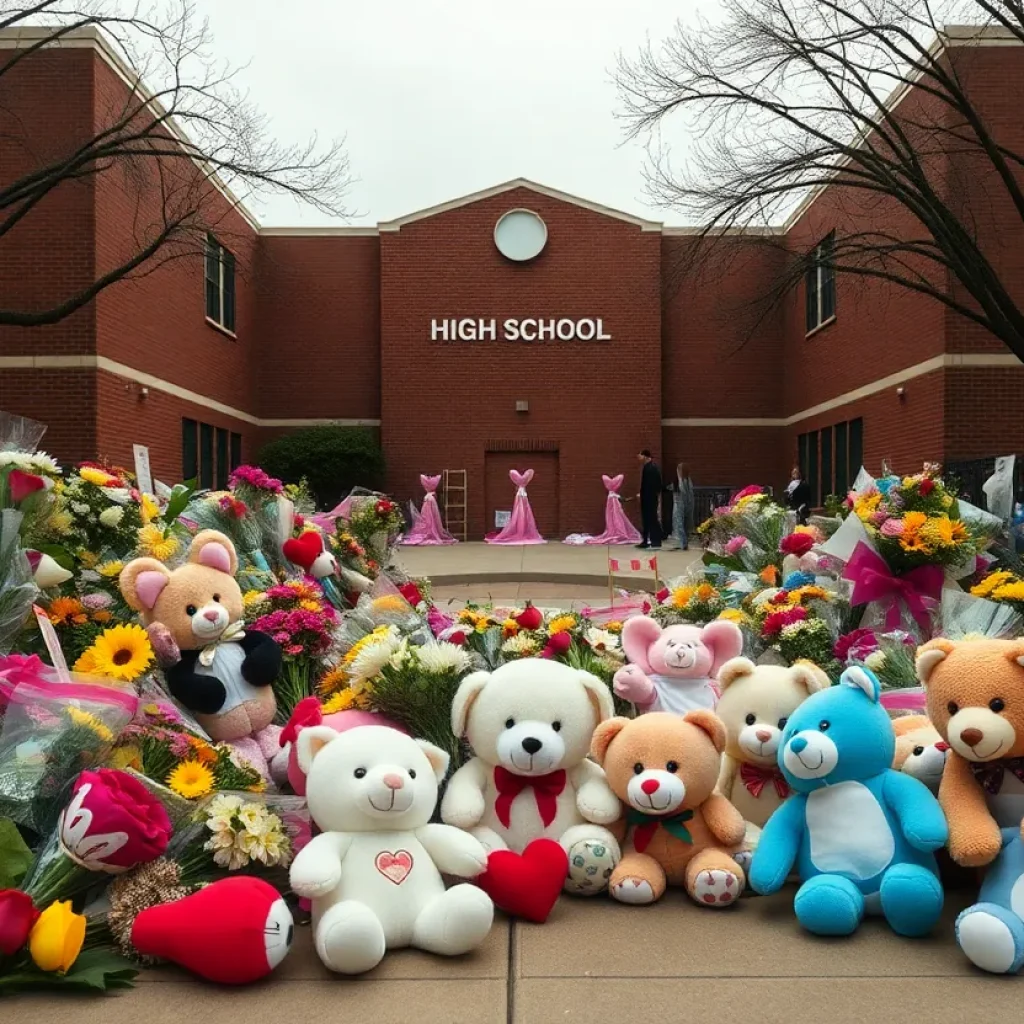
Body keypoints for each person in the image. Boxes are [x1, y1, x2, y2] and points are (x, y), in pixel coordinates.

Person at [635, 449, 663, 550]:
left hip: (649, 499)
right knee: (646, 520)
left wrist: (646, 494)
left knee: (651, 519)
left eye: (641, 455)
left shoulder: (651, 468)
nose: (639, 457)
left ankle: (656, 540)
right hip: (647, 497)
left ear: (646, 456)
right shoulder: (648, 467)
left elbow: (654, 485)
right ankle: (646, 540)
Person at [673, 463, 695, 550]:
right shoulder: (688, 480)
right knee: (685, 524)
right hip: (688, 504)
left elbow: (681, 491)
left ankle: (683, 542)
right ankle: (685, 542)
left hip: (680, 504)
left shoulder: (681, 480)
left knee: (680, 523)